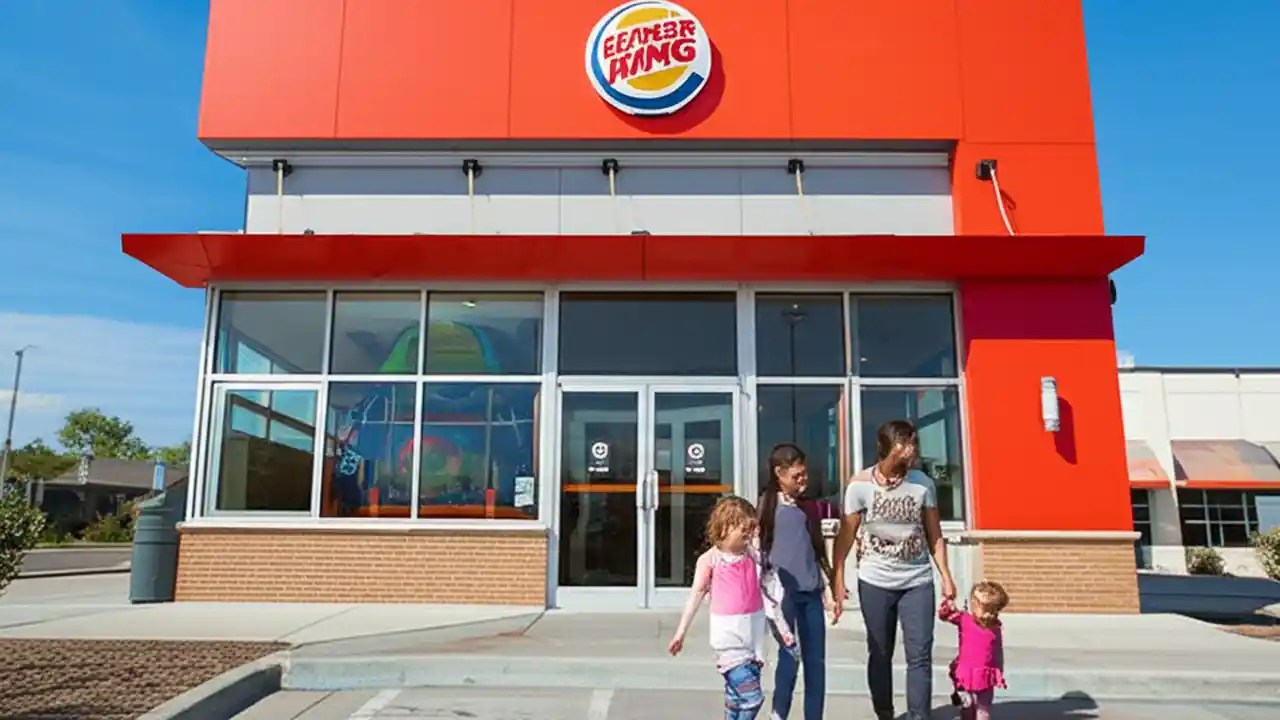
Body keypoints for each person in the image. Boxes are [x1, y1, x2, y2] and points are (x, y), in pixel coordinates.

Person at [832, 419, 958, 720]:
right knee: (880, 652)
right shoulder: (860, 484)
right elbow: (846, 535)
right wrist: (837, 578)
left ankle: (918, 716)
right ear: (887, 446)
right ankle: (885, 713)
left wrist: (946, 575)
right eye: (905, 442)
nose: (912, 449)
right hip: (875, 580)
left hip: (917, 581)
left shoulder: (922, 484)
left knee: (920, 655)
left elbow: (934, 534)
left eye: (914, 442)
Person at [668, 496, 794, 720]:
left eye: (749, 530)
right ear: (722, 527)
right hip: (729, 641)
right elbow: (696, 595)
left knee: (736, 698)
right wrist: (680, 633)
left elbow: (770, 591)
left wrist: (783, 630)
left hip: (753, 639)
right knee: (752, 698)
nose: (746, 534)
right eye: (741, 529)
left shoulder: (753, 557)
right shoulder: (710, 560)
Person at [758, 443, 835, 720]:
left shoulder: (809, 507)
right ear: (779, 473)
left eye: (805, 474)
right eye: (796, 475)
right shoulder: (766, 506)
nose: (803, 480)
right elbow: (759, 550)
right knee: (789, 658)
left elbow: (816, 550)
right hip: (783, 599)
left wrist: (829, 588)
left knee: (816, 663)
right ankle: (779, 714)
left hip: (810, 594)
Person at [941, 580, 1009, 720]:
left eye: (992, 611)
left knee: (983, 710)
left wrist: (999, 670)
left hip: (986, 675)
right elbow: (945, 616)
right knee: (968, 707)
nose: (988, 615)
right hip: (966, 674)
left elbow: (997, 650)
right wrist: (948, 605)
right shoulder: (965, 619)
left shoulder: (995, 627)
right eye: (985, 609)